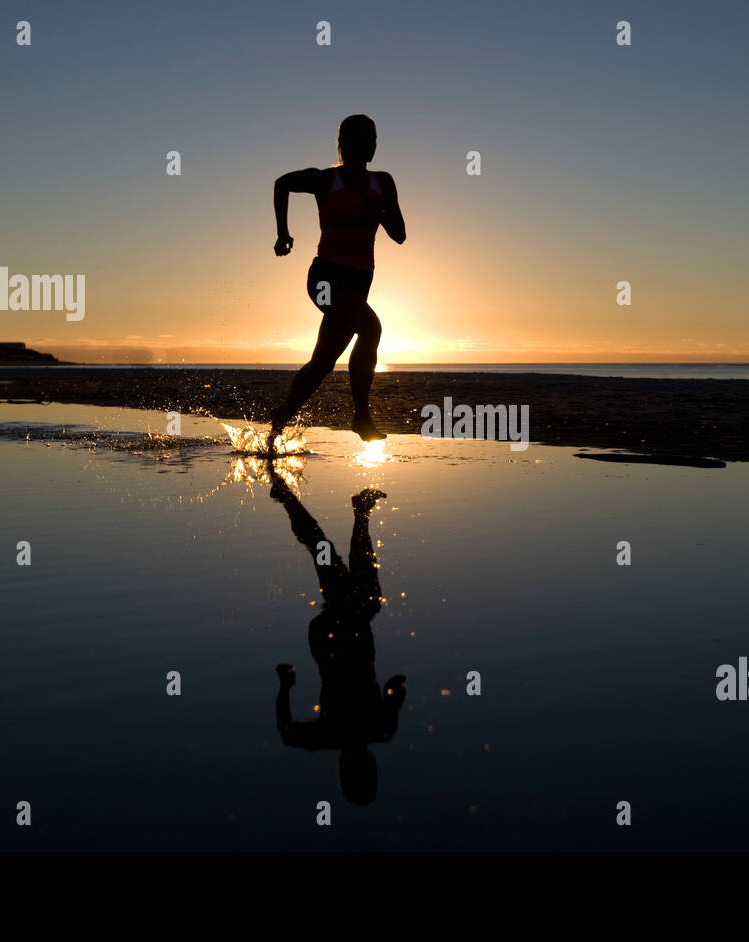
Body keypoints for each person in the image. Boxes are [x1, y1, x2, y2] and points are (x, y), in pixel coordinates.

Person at [269, 467, 406, 805]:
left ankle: (301, 501)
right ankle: (353, 510)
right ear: (343, 768)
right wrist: (285, 684)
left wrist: (285, 686)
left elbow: (396, 685)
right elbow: (286, 733)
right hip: (335, 631)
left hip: (342, 630)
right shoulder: (340, 735)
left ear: (370, 766)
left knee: (331, 559)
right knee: (330, 559)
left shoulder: (380, 730)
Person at [269, 114, 406, 443]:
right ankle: (361, 418)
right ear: (344, 144)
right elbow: (282, 183)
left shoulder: (383, 183)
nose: (370, 144)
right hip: (325, 281)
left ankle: (281, 417)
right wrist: (283, 234)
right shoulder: (325, 180)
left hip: (359, 283)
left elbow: (400, 235)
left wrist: (381, 214)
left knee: (322, 363)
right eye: (363, 138)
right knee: (372, 328)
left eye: (373, 138)